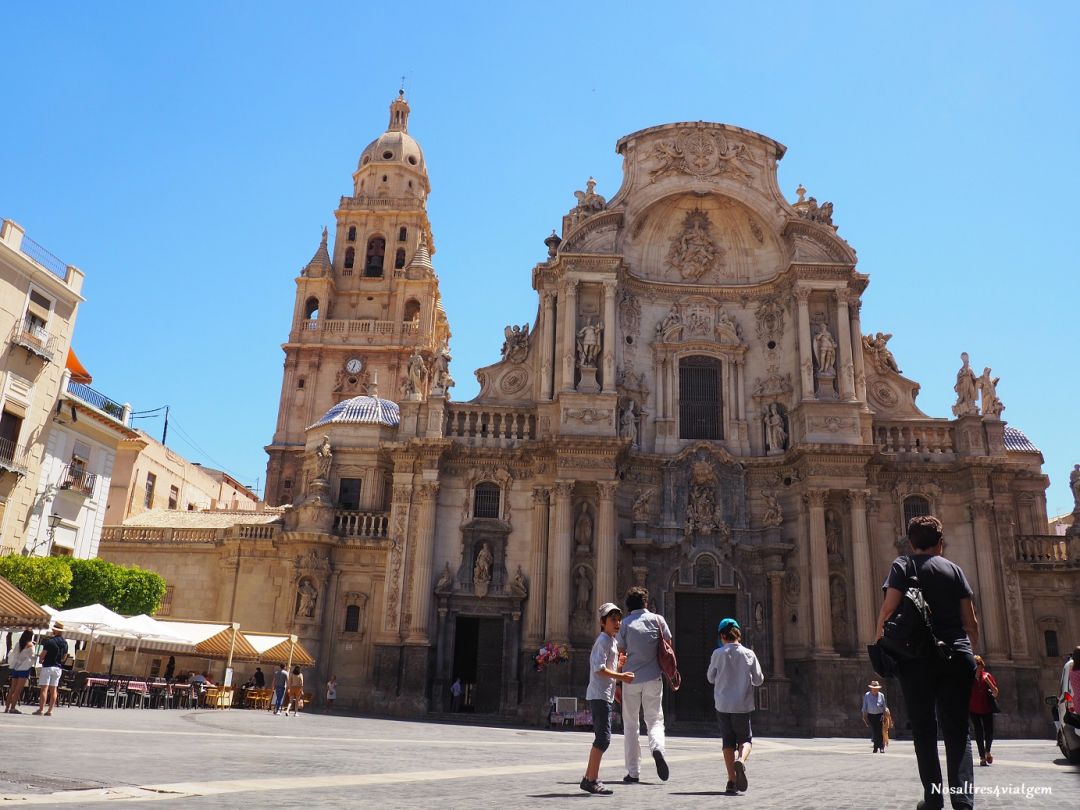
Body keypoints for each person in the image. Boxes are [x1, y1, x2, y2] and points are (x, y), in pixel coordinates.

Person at [876, 515, 979, 810]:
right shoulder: (955, 570)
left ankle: (933, 799)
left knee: (924, 729)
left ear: (911, 542)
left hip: (917, 658)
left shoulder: (902, 565)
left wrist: (879, 645)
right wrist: (973, 651)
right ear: (940, 543)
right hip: (957, 656)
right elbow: (970, 621)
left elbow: (888, 609)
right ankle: (962, 800)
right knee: (958, 731)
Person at [616, 585, 672, 783]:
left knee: (631, 724)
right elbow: (668, 648)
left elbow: (619, 654)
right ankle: (657, 748)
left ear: (629, 606)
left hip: (630, 678)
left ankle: (633, 772)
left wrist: (617, 680)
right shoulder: (658, 620)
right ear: (646, 603)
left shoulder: (624, 625)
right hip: (653, 677)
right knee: (655, 719)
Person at [579, 603, 636, 795]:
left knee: (602, 739)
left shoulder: (611, 641)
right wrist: (622, 677)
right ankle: (591, 779)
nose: (617, 623)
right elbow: (599, 669)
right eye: (613, 620)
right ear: (603, 623)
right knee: (603, 739)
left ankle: (589, 778)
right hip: (599, 695)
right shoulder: (603, 641)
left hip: (605, 695)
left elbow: (607, 667)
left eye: (619, 619)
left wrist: (618, 665)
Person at [707, 618, 764, 795]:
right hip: (742, 705)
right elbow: (759, 679)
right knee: (745, 740)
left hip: (723, 705)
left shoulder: (718, 653)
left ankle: (731, 781)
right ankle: (741, 760)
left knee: (727, 742)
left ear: (722, 635)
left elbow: (710, 677)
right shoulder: (749, 654)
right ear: (738, 634)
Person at [969, 656, 999, 766]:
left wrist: (988, 682)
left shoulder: (987, 676)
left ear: (982, 665)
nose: (977, 666)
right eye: (975, 664)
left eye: (978, 663)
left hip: (986, 708)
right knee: (978, 732)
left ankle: (988, 751)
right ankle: (982, 757)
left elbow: (995, 693)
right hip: (973, 708)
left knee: (989, 731)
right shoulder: (969, 678)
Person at [35, 622, 68, 716]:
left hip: (48, 666)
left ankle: (41, 709)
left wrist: (41, 660)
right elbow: (64, 657)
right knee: (54, 689)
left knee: (44, 689)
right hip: (58, 668)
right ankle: (50, 710)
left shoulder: (50, 641)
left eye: (54, 629)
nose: (52, 630)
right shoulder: (65, 643)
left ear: (56, 630)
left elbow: (43, 654)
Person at [5, 629, 36, 714]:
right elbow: (32, 657)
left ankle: (7, 707)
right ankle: (13, 708)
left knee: (12, 689)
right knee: (18, 690)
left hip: (15, 668)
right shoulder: (31, 645)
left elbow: (14, 654)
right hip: (24, 669)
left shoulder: (18, 644)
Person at [862, 680, 889, 753]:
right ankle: (876, 746)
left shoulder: (881, 695)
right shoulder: (867, 695)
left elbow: (884, 706)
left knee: (880, 731)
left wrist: (886, 715)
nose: (875, 690)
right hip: (871, 715)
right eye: (874, 688)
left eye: (876, 688)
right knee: (875, 731)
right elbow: (865, 706)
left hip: (880, 715)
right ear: (871, 688)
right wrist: (864, 716)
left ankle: (881, 747)